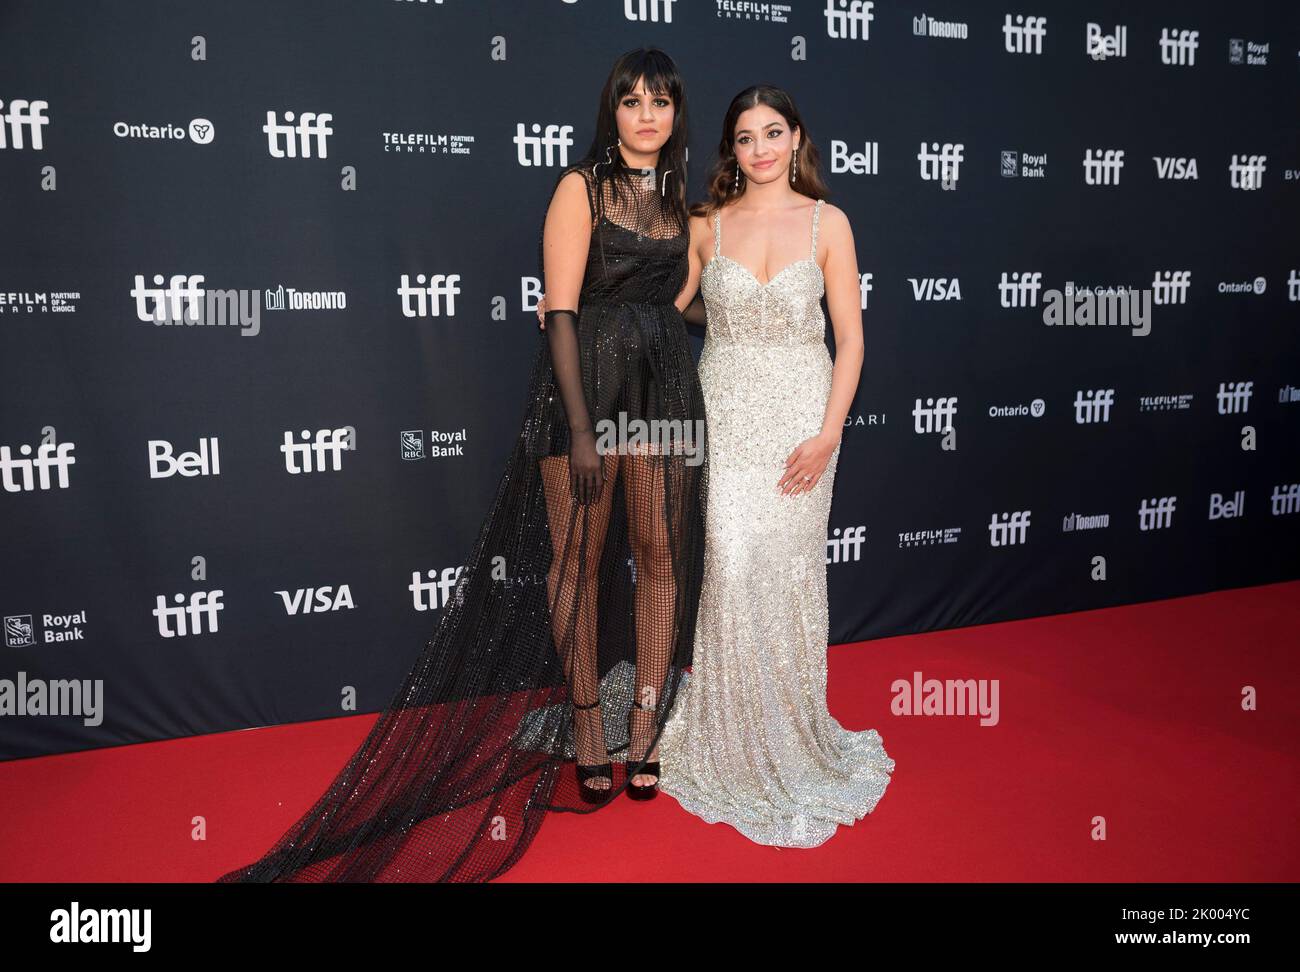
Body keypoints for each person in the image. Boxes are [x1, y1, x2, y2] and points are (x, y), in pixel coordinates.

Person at [215, 48, 706, 883]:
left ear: (675, 114)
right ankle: (590, 724)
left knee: (661, 559)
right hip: (583, 395)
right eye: (631, 101)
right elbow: (558, 313)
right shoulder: (579, 188)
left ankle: (648, 726)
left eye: (660, 101)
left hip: (662, 396)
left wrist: (656, 337)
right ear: (611, 113)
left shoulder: (681, 205)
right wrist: (583, 429)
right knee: (578, 563)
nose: (646, 114)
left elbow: (681, 301)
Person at [656, 85, 895, 847]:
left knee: (789, 569)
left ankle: (789, 728)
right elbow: (669, 309)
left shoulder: (830, 223)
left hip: (802, 414)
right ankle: (725, 736)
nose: (759, 148)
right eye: (745, 137)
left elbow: (850, 339)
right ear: (732, 148)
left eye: (773, 132)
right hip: (724, 408)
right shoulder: (707, 224)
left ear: (796, 139)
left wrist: (830, 434)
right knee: (729, 557)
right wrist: (581, 309)